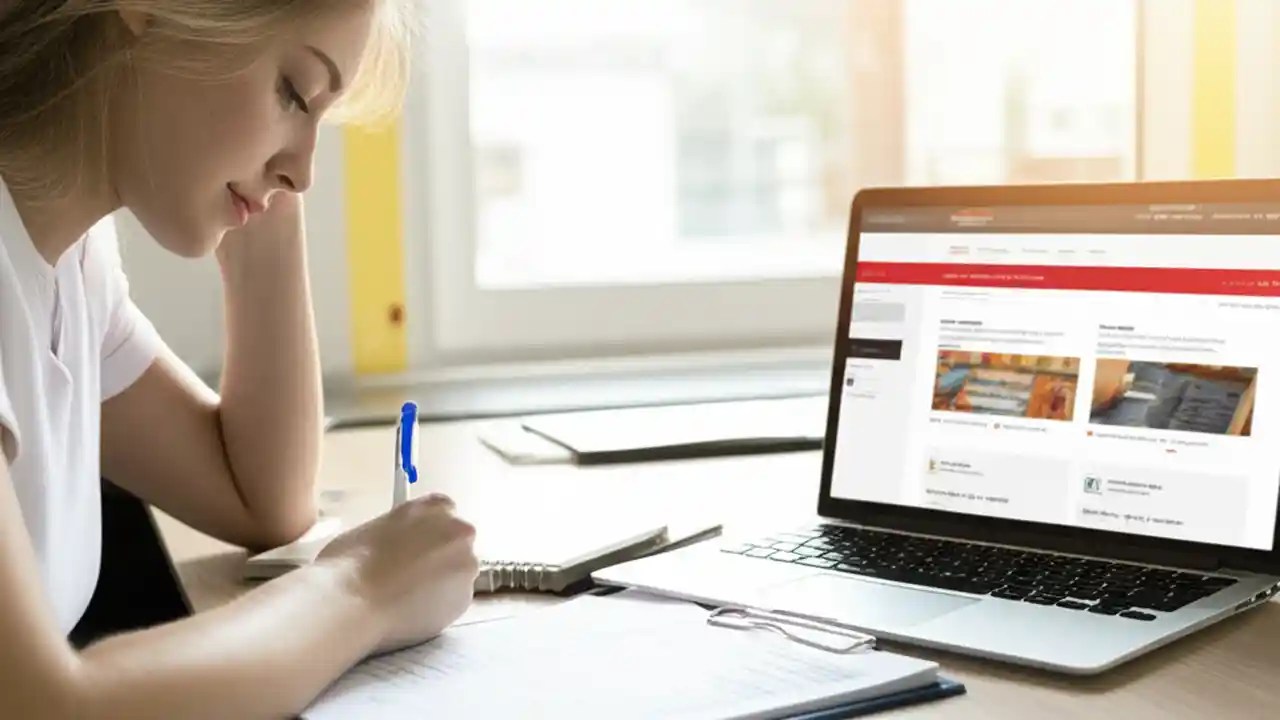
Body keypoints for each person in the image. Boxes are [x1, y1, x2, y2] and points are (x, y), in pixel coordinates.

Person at [0, 2, 479, 717]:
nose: (305, 172)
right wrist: (362, 589)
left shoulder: (68, 258)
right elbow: (42, 703)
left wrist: (264, 198)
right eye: (294, 92)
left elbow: (260, 496)